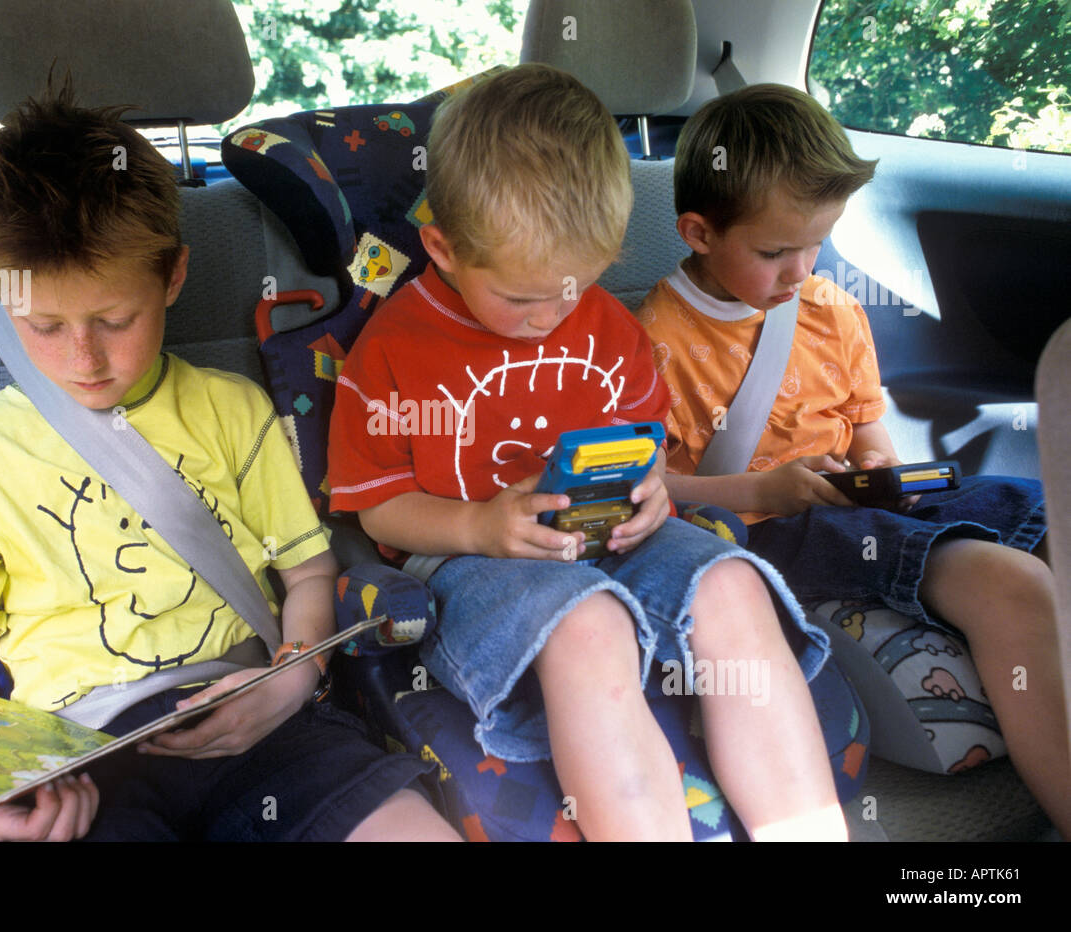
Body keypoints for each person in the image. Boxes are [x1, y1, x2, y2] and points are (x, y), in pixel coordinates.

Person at [0, 81, 458, 842]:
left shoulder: (232, 411)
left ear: (174, 277)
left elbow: (309, 575)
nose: (82, 357)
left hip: (258, 726)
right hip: (78, 763)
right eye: (43, 324)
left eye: (115, 320)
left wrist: (293, 680)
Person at [327, 64, 848, 841]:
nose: (553, 317)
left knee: (734, 585)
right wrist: (478, 527)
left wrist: (655, 496)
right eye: (523, 297)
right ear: (442, 248)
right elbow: (375, 502)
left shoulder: (608, 326)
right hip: (467, 559)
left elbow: (646, 455)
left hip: (613, 533)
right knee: (589, 623)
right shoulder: (393, 350)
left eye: (577, 287)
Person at [640, 82, 1069, 837]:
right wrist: (765, 486)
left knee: (1048, 517)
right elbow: (654, 490)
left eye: (816, 242)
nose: (801, 269)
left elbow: (869, 435)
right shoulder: (653, 339)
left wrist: (882, 478)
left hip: (858, 505)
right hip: (768, 530)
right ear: (699, 233)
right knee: (1013, 582)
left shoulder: (832, 309)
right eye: (775, 251)